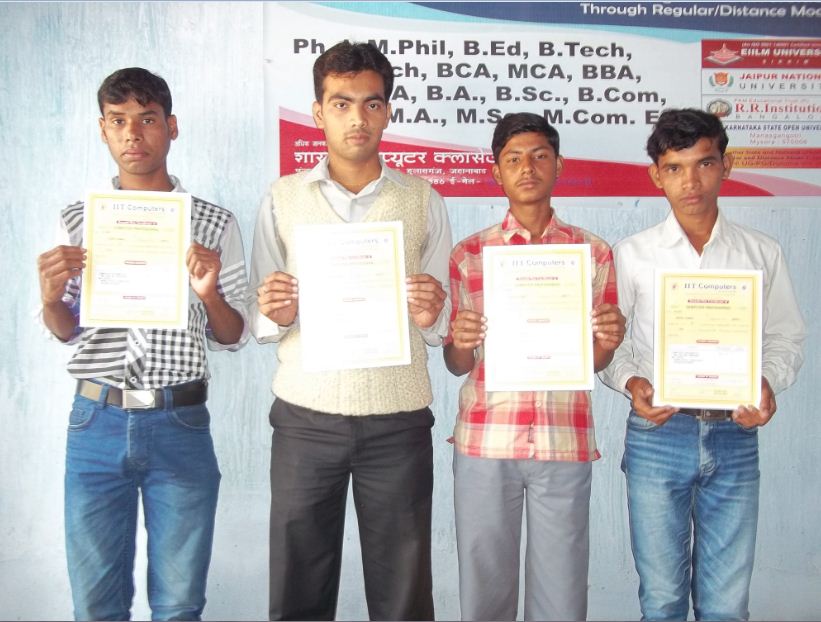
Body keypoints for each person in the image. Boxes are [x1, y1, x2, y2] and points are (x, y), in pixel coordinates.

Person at [248, 41, 452, 621]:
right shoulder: (283, 198)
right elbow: (265, 313)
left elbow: (436, 323)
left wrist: (429, 310)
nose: (356, 119)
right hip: (306, 419)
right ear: (318, 112)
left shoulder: (421, 198)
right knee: (299, 582)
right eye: (340, 104)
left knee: (404, 588)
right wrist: (277, 312)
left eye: (370, 103)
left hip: (398, 419)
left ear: (387, 111)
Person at [36, 67, 249, 621]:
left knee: (179, 604)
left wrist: (209, 295)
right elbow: (66, 330)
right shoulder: (78, 220)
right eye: (119, 121)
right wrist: (51, 297)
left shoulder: (214, 223)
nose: (134, 134)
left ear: (171, 127)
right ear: (103, 130)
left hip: (178, 421)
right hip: (94, 419)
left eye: (148, 119)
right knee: (96, 604)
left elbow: (234, 336)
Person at [600, 108, 806, 621]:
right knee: (663, 599)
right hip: (658, 435)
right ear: (656, 175)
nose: (690, 181)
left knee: (727, 605)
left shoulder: (761, 252)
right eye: (674, 167)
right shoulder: (632, 255)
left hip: (735, 436)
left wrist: (766, 383)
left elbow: (786, 336)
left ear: (726, 165)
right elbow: (609, 343)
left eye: (704, 164)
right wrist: (631, 382)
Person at [444, 112, 626, 621]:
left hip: (562, 438)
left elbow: (593, 360)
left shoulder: (592, 254)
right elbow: (457, 363)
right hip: (486, 439)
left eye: (540, 155)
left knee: (562, 595)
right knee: (484, 593)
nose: (528, 168)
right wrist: (460, 342)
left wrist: (608, 341)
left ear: (559, 165)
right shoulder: (468, 255)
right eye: (513, 159)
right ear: (496, 172)